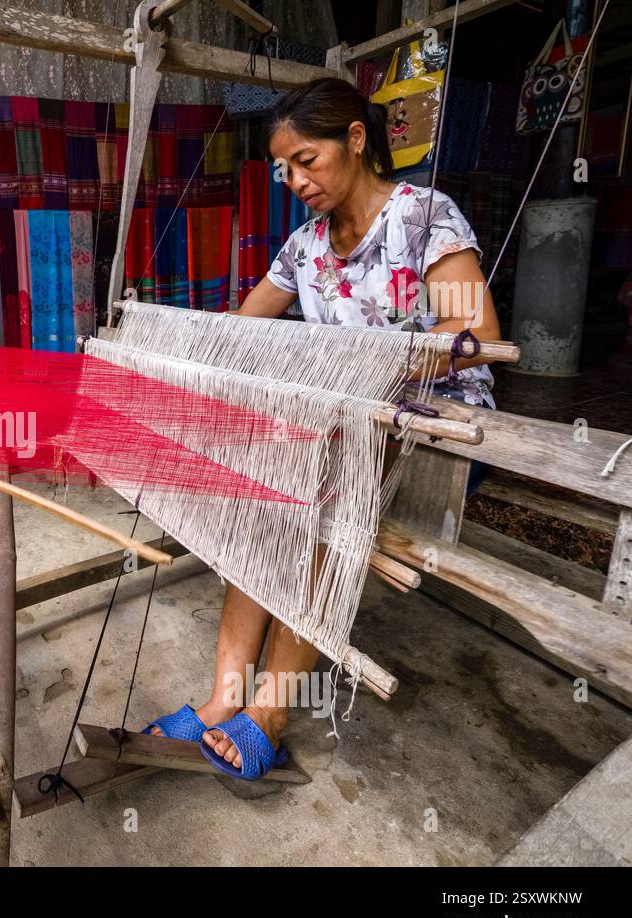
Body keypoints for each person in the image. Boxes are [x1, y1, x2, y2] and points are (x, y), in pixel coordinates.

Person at [144, 78, 503, 779]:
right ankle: (224, 699)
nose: (295, 180)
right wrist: (170, 353)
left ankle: (271, 713)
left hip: (439, 420)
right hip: (344, 419)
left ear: (357, 140)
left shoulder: (425, 217)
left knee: (315, 492)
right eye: (284, 169)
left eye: (307, 159)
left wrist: (361, 376)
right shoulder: (305, 246)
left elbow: (477, 333)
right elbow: (242, 332)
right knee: (260, 487)